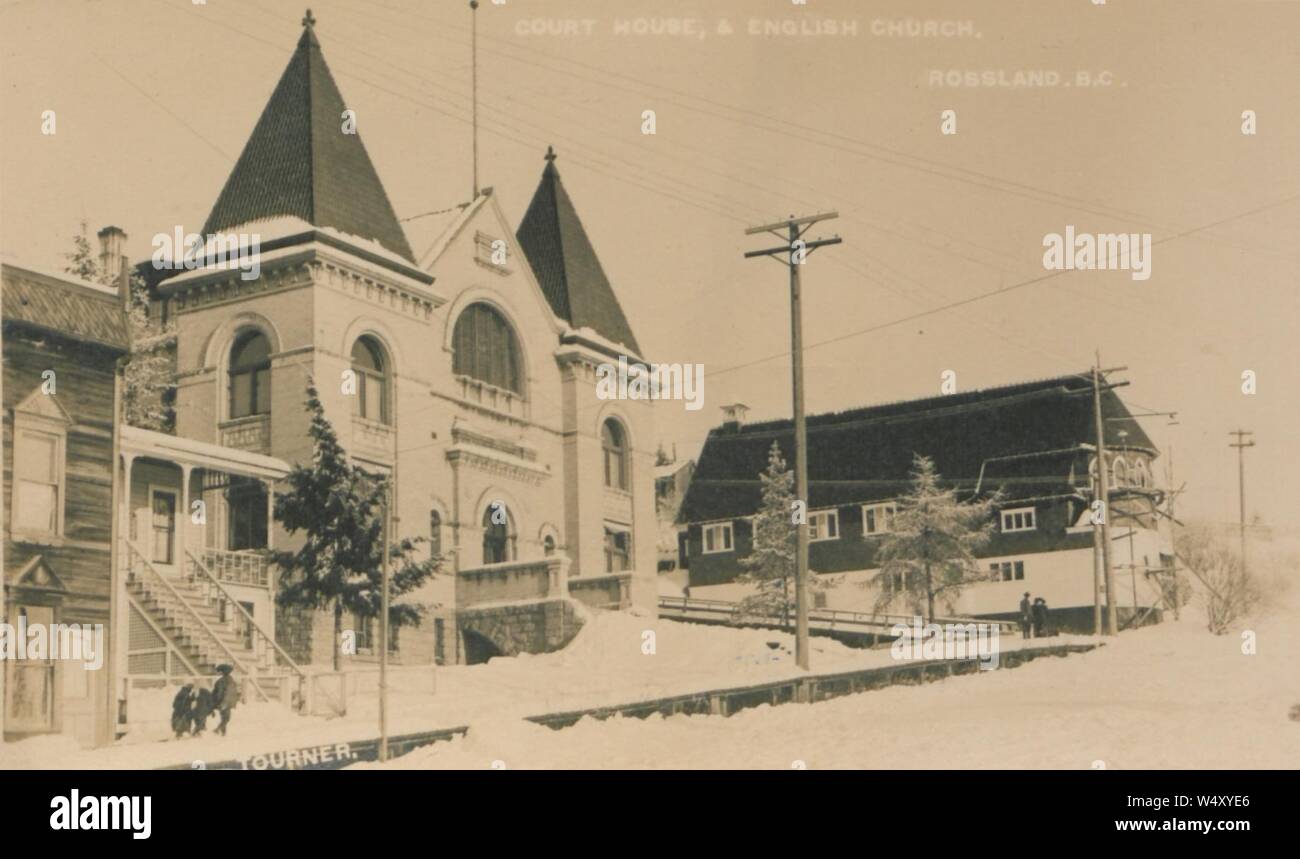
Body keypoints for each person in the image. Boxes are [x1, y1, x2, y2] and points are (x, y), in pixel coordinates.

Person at [212, 664, 240, 736]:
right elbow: (220, 692)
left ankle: (222, 732)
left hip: (225, 701)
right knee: (226, 718)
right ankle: (219, 730)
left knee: (225, 718)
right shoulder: (229, 680)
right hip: (225, 701)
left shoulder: (223, 680)